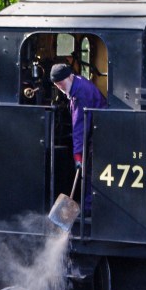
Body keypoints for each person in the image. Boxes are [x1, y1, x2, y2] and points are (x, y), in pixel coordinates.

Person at [50, 63, 107, 208]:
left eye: (61, 83)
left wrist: (77, 155)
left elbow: (79, 127)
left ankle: (88, 208)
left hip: (98, 133)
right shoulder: (79, 83)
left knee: (89, 172)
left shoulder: (79, 94)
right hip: (98, 130)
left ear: (69, 77)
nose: (59, 87)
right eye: (56, 84)